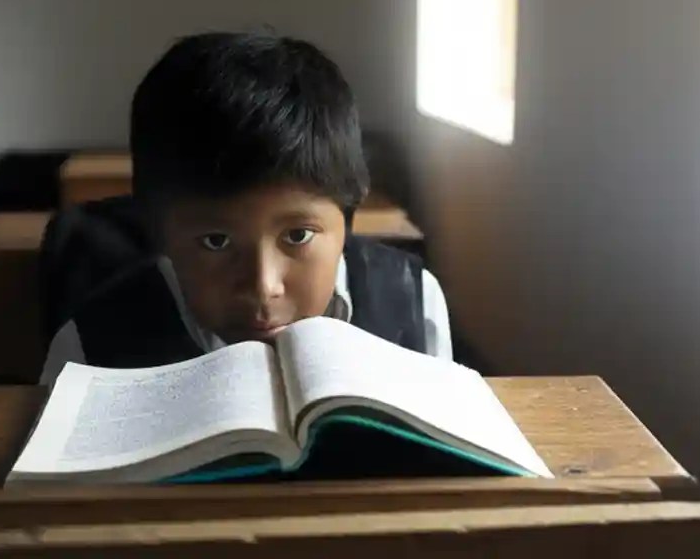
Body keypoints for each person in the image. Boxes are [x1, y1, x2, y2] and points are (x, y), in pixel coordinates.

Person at [39, 32, 451, 384]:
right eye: (216, 242)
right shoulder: (88, 345)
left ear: (348, 215)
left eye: (297, 236)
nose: (262, 285)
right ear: (159, 230)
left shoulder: (414, 303)